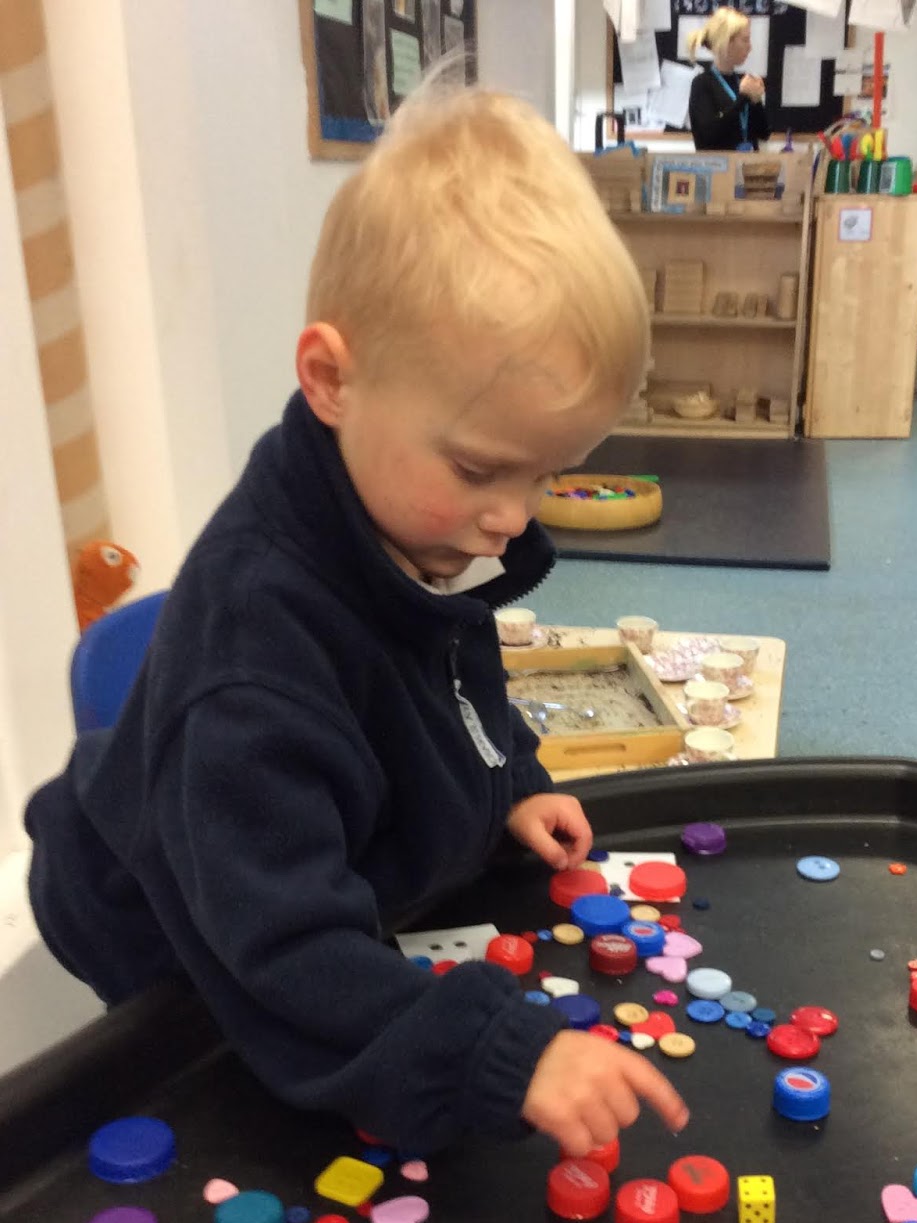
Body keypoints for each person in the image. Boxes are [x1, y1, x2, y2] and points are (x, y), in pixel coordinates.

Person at [24, 86, 689, 1162]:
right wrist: (500, 1053)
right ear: (331, 379)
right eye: (480, 468)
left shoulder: (412, 519)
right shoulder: (253, 669)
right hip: (177, 926)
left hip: (303, 854)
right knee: (233, 1116)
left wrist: (509, 780)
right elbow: (278, 942)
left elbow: (452, 667)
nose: (510, 519)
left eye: (544, 473)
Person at [687, 7, 769, 152]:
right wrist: (743, 98)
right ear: (726, 42)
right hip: (719, 171)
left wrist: (756, 101)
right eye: (745, 40)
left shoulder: (742, 83)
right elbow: (708, 137)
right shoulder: (702, 84)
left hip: (747, 169)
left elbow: (764, 133)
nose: (750, 47)